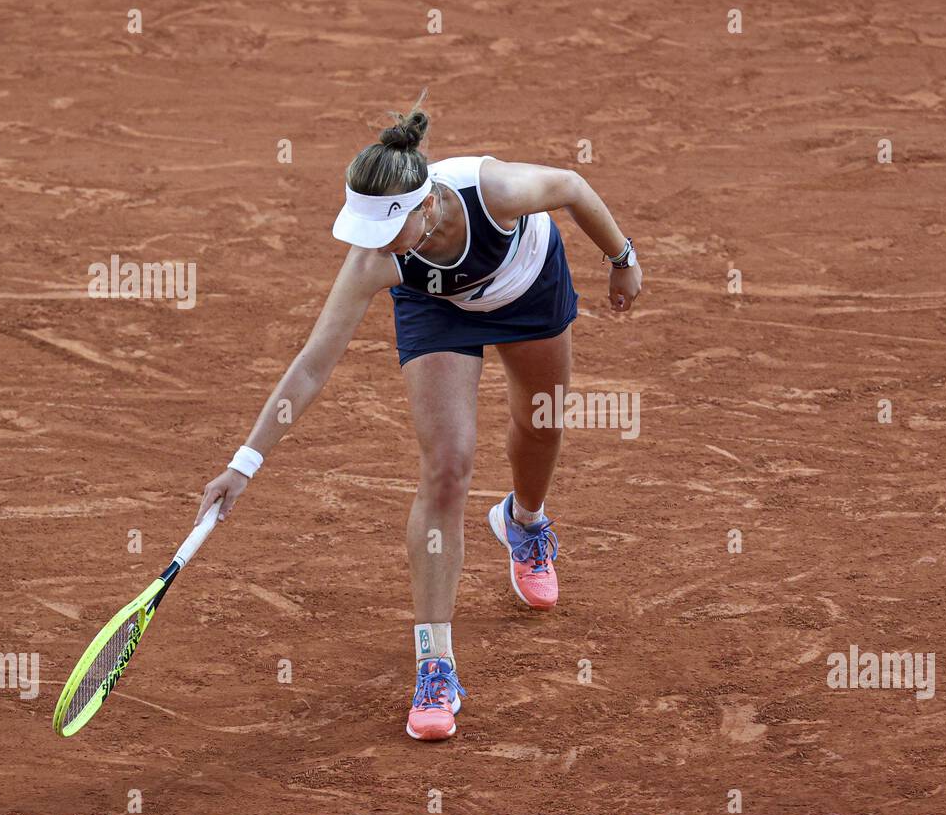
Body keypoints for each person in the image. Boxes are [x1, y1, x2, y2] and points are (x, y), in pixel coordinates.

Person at [194, 96, 642, 741]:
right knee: (448, 467)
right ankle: (436, 662)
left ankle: (524, 521)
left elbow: (571, 187)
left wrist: (622, 258)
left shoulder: (494, 192)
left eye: (386, 231)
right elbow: (312, 366)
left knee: (541, 426)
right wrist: (244, 462)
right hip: (438, 311)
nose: (373, 247)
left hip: (528, 286)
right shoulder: (379, 258)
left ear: (426, 204)